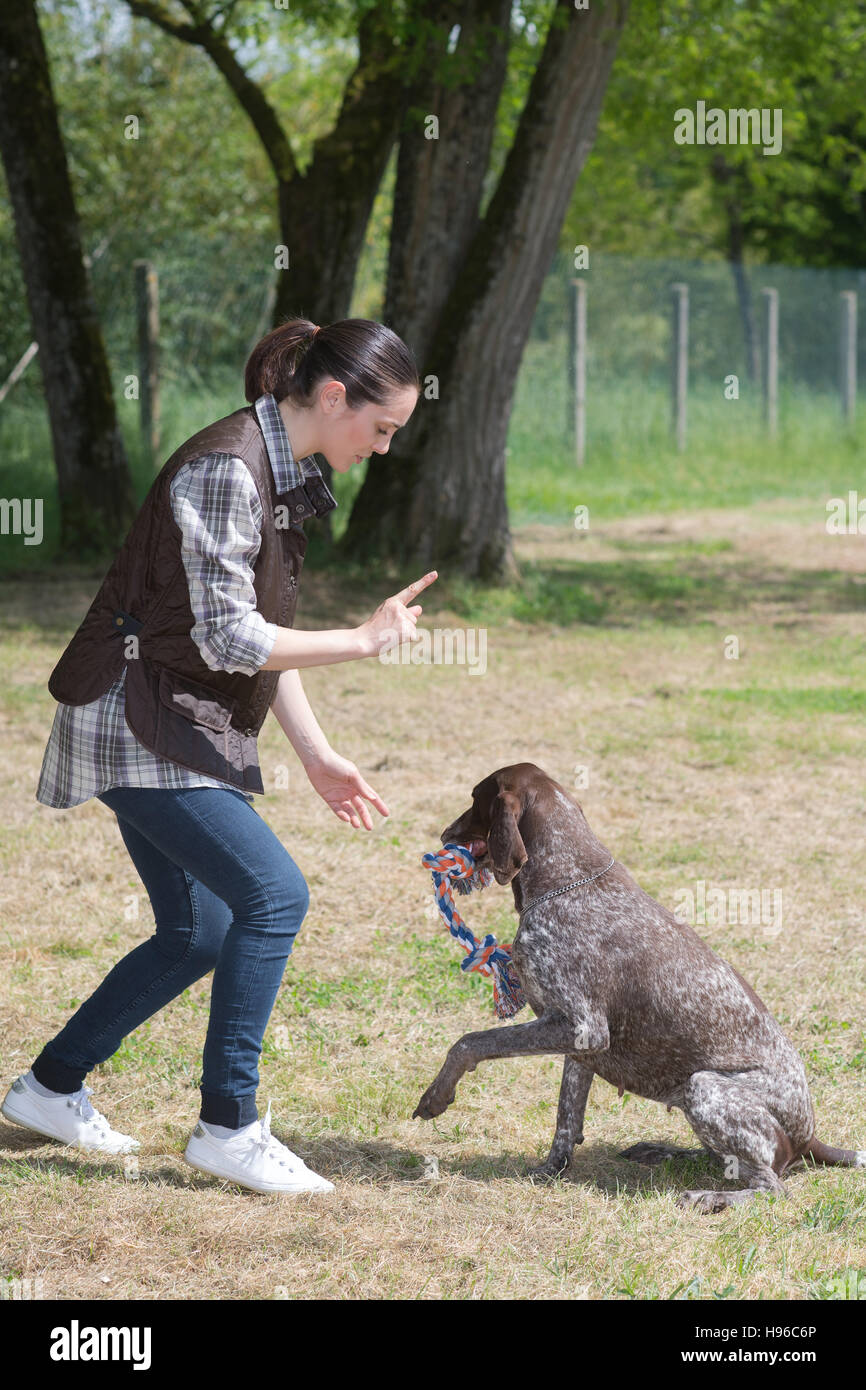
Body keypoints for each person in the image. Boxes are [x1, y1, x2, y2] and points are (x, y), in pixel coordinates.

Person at [1, 317, 437, 1195]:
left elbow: (261, 633)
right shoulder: (225, 466)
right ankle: (228, 1126)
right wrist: (360, 641)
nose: (384, 449)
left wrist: (317, 756)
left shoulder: (283, 472)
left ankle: (50, 1089)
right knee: (273, 896)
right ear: (331, 396)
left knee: (199, 929)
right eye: (381, 427)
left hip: (175, 718)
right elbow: (231, 635)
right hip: (136, 720)